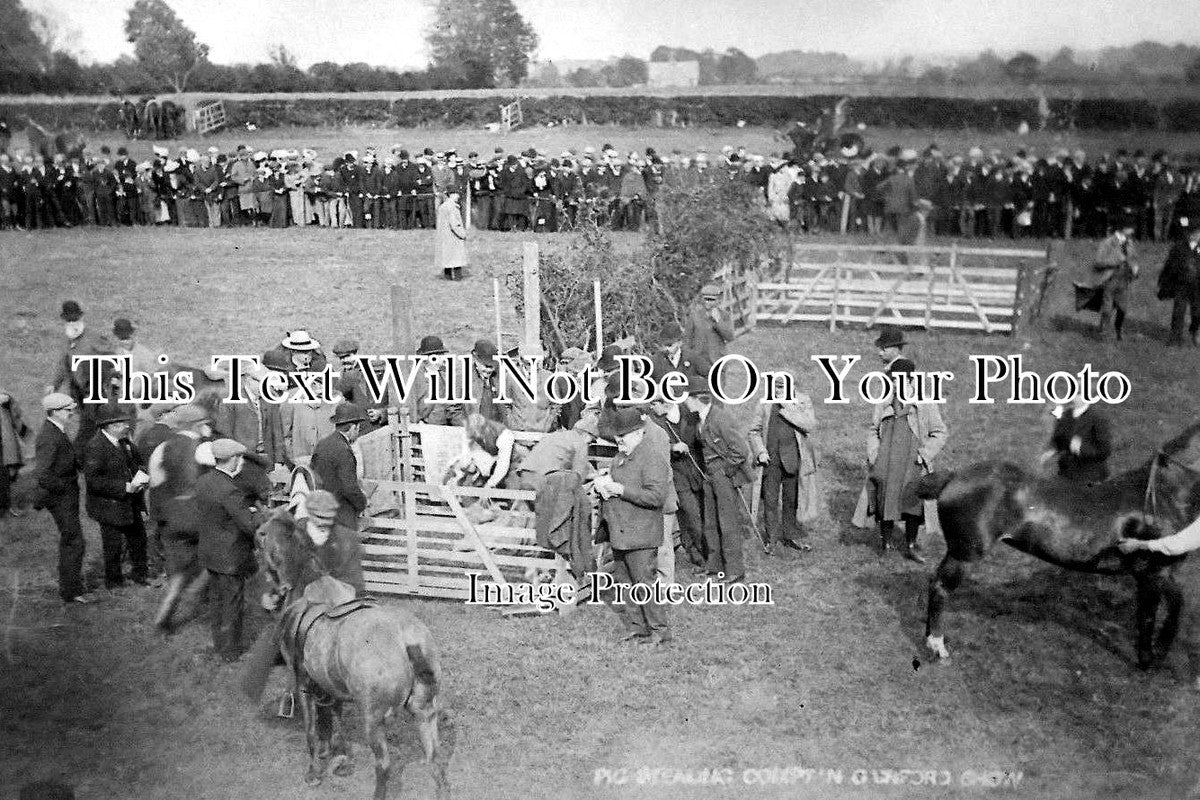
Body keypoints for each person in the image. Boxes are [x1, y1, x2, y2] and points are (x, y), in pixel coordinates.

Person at [858, 330, 947, 562]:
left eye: (899, 380)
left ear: (910, 380)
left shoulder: (925, 403)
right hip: (887, 458)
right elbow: (872, 430)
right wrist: (874, 452)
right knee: (885, 497)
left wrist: (924, 454)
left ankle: (910, 544)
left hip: (912, 459)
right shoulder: (884, 401)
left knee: (912, 502)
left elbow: (940, 432)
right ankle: (885, 544)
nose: (894, 385)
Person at [594, 406, 672, 645]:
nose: (619, 441)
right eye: (617, 437)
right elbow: (619, 482)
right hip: (620, 532)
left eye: (623, 436)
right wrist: (604, 486)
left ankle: (660, 631)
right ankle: (638, 628)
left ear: (638, 433)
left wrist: (620, 490)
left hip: (641, 533)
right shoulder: (621, 456)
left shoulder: (652, 457)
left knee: (644, 584)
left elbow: (656, 497)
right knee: (625, 584)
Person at [195, 438, 260, 662]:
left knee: (218, 602)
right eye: (239, 459)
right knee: (233, 604)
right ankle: (231, 652)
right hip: (231, 556)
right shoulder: (230, 490)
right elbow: (249, 525)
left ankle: (219, 643)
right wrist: (257, 514)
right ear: (232, 460)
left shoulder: (204, 481)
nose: (241, 462)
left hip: (210, 553)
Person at [149, 404, 214, 632]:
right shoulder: (202, 449)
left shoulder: (164, 447)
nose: (208, 427)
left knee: (179, 572)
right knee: (217, 555)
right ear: (197, 425)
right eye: (205, 424)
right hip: (197, 516)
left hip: (172, 516)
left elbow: (156, 483)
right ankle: (197, 593)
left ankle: (163, 618)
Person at [686, 376, 753, 582]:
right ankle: (714, 564)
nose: (685, 402)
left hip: (722, 475)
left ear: (698, 399)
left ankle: (734, 569)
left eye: (688, 397)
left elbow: (741, 450)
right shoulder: (701, 418)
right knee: (710, 522)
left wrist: (725, 471)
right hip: (709, 475)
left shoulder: (720, 418)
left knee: (728, 522)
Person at [34, 393, 94, 604]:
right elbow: (43, 473)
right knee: (74, 541)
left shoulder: (57, 430)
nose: (71, 413)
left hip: (63, 495)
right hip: (60, 497)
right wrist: (64, 489)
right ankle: (71, 591)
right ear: (54, 412)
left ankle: (70, 586)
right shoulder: (49, 437)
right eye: (67, 410)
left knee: (72, 540)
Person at [749, 374, 820, 554]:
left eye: (782, 387)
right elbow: (754, 431)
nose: (777, 391)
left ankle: (790, 535)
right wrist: (760, 451)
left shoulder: (802, 401)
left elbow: (809, 425)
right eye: (776, 387)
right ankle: (771, 539)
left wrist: (787, 407)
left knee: (791, 499)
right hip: (770, 460)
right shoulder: (764, 403)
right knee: (770, 501)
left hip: (793, 459)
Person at [83, 404, 150, 589]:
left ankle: (141, 574)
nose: (127, 426)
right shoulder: (95, 447)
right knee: (113, 546)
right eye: (122, 423)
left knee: (138, 540)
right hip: (109, 507)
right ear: (110, 426)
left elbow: (138, 462)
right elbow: (94, 482)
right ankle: (114, 582)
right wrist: (125, 487)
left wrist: (141, 475)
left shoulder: (125, 442)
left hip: (130, 502)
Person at [1074, 217, 1140, 341]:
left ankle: (1117, 329)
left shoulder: (1130, 243)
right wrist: (1115, 261)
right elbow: (1098, 262)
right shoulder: (1108, 243)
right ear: (1123, 229)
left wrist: (1135, 268)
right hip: (1110, 279)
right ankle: (1104, 333)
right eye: (1130, 228)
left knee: (1123, 308)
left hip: (1124, 279)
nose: (1132, 231)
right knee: (1107, 307)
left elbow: (1133, 259)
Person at [308, 402, 369, 530]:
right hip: (341, 514)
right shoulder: (344, 451)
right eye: (358, 428)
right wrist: (362, 502)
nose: (357, 432)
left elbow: (312, 472)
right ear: (352, 427)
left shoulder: (323, 443)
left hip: (321, 509)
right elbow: (349, 488)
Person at [1038, 393, 1112, 484]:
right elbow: (1060, 439)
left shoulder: (1098, 418)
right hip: (1066, 474)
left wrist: (1081, 448)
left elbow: (1105, 451)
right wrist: (1053, 451)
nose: (1074, 397)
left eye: (1079, 394)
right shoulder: (1066, 415)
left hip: (1090, 477)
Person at [1157, 227, 1200, 346]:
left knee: (1197, 312)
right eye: (1196, 233)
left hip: (1197, 286)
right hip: (1181, 285)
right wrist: (1164, 283)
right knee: (1178, 312)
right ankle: (1175, 338)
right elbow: (1170, 265)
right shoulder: (1179, 247)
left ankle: (1194, 330)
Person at [682, 284, 735, 376]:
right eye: (706, 299)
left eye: (711, 300)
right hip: (698, 362)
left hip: (717, 361)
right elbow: (687, 339)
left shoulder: (724, 315)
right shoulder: (695, 315)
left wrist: (718, 321)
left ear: (718, 300)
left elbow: (730, 336)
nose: (708, 302)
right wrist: (687, 359)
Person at [0, 387, 30, 517]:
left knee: (5, 473)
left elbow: (17, 418)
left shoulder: (4, 400)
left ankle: (6, 506)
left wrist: (29, 438)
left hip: (4, 443)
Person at [436, 188, 468, 281]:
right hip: (453, 236)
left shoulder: (443, 206)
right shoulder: (452, 207)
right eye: (457, 194)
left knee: (447, 258)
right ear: (452, 194)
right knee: (457, 258)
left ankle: (447, 277)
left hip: (444, 237)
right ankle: (458, 278)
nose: (458, 196)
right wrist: (463, 234)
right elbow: (454, 224)